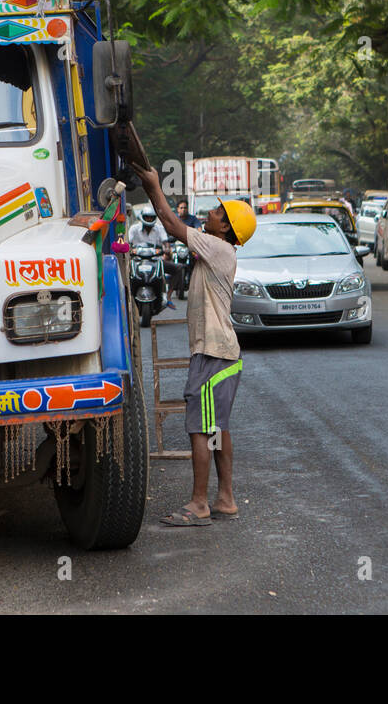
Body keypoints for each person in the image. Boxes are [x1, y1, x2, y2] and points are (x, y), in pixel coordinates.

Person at [133, 163, 256, 526]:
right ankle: (226, 498)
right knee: (217, 426)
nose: (210, 214)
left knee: (200, 428)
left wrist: (153, 185)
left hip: (214, 354)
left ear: (227, 229)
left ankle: (200, 503)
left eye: (217, 213)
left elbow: (171, 225)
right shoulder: (217, 248)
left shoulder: (218, 248)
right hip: (223, 355)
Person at [126, 208, 181, 308]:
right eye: (147, 217)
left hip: (155, 260)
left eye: (151, 217)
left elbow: (166, 242)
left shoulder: (159, 228)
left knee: (178, 268)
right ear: (142, 217)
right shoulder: (134, 229)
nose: (149, 219)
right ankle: (128, 297)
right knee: (126, 275)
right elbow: (128, 242)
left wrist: (167, 250)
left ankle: (168, 296)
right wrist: (128, 249)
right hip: (137, 261)